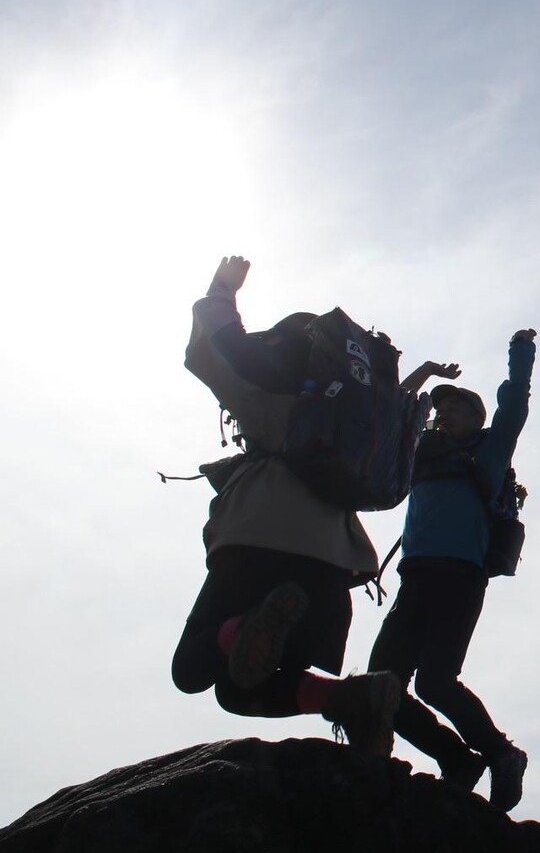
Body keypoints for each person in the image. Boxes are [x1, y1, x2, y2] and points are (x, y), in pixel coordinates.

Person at [173, 255, 417, 754]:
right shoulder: (354, 424)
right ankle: (353, 697)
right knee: (241, 691)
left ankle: (245, 625)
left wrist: (223, 288)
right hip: (330, 566)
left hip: (257, 540)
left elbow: (209, 351)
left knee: (193, 668)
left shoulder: (274, 396)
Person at [368, 327, 537, 813]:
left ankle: (502, 755)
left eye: (456, 408)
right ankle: (457, 760)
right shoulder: (422, 453)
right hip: (415, 577)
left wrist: (520, 354)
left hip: (460, 578)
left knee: (435, 682)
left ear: (475, 420)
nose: (444, 414)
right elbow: (394, 409)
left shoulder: (487, 452)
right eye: (442, 408)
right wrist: (423, 376)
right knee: (383, 683)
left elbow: (514, 408)